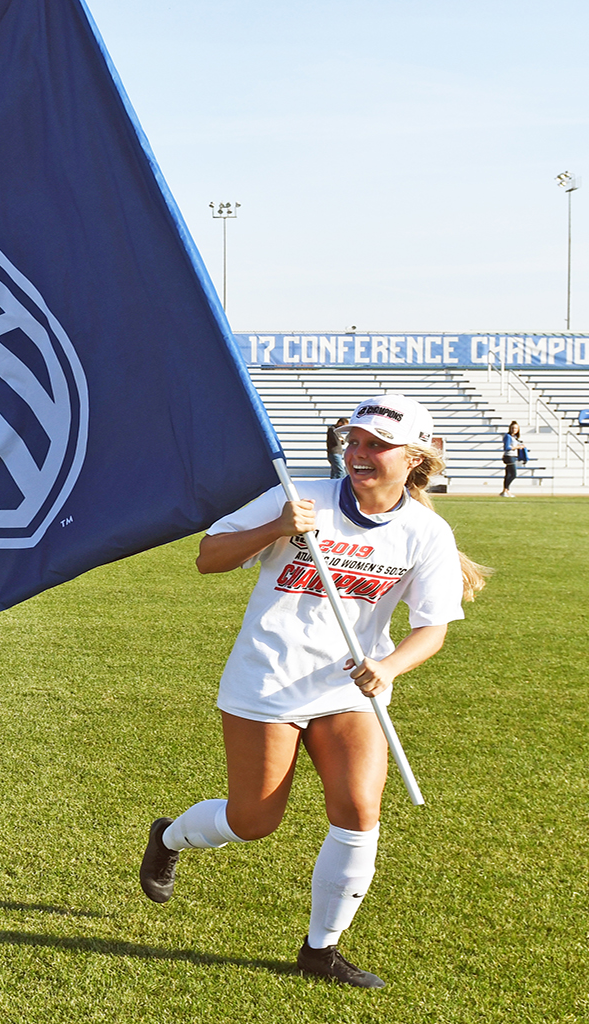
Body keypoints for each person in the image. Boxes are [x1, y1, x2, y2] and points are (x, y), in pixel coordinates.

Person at [138, 393, 490, 990]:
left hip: (348, 691)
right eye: (353, 440)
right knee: (254, 821)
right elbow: (208, 558)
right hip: (266, 680)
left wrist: (390, 666)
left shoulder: (426, 531)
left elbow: (432, 627)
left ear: (415, 458)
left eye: (376, 445)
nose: (358, 453)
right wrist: (280, 527)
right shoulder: (296, 496)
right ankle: (169, 836)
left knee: (359, 809)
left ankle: (320, 949)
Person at [499, 421, 524, 497]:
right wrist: (517, 447)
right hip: (509, 456)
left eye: (516, 428)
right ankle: (507, 489)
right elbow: (506, 448)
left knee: (508, 474)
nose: (514, 429)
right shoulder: (508, 436)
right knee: (513, 474)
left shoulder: (515, 437)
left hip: (513, 456)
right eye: (513, 428)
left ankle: (504, 491)